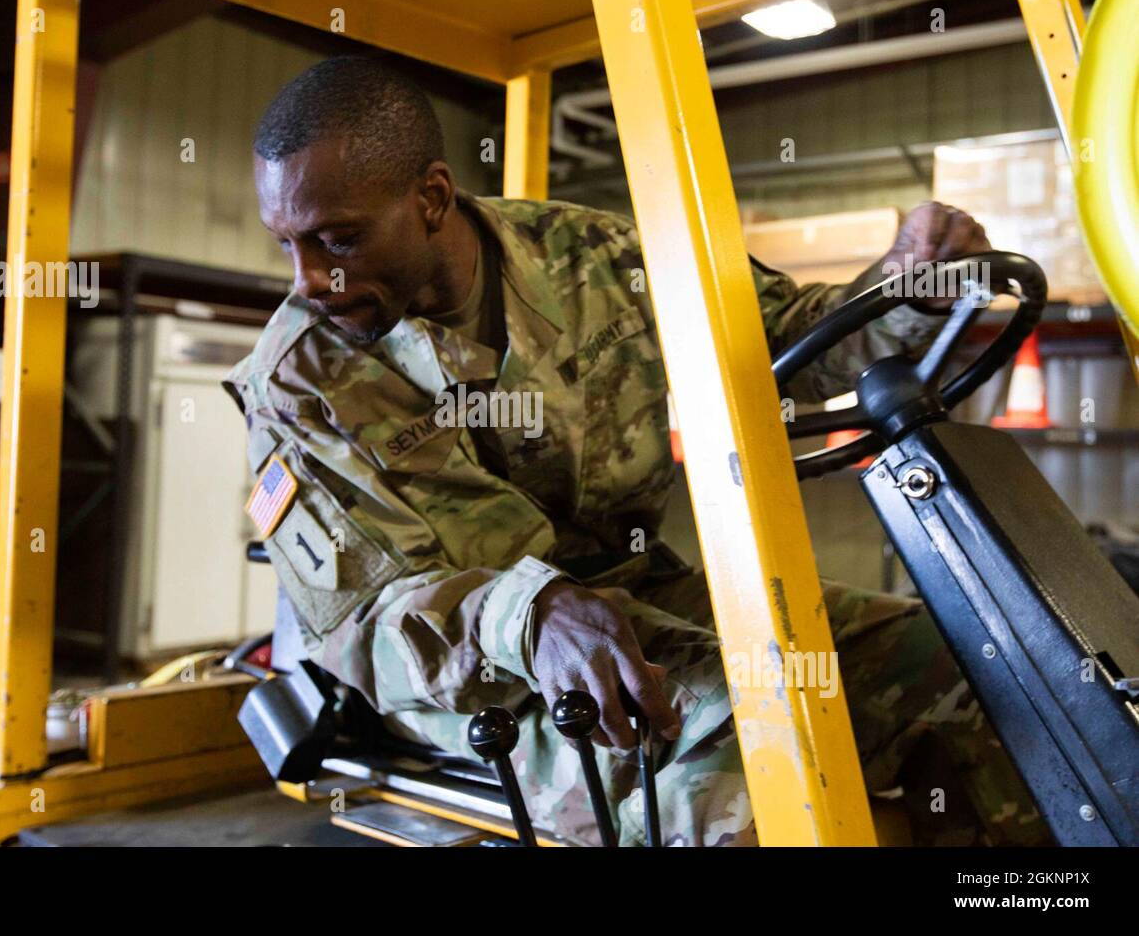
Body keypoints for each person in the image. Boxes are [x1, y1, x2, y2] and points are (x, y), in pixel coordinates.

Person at [223, 55, 1048, 846]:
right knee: (754, 795)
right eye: (286, 244)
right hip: (483, 681)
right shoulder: (301, 382)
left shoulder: (599, 259)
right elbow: (363, 633)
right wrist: (532, 617)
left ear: (432, 197)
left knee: (990, 667)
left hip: (645, 601)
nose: (305, 280)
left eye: (336, 240)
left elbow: (791, 341)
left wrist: (909, 283)